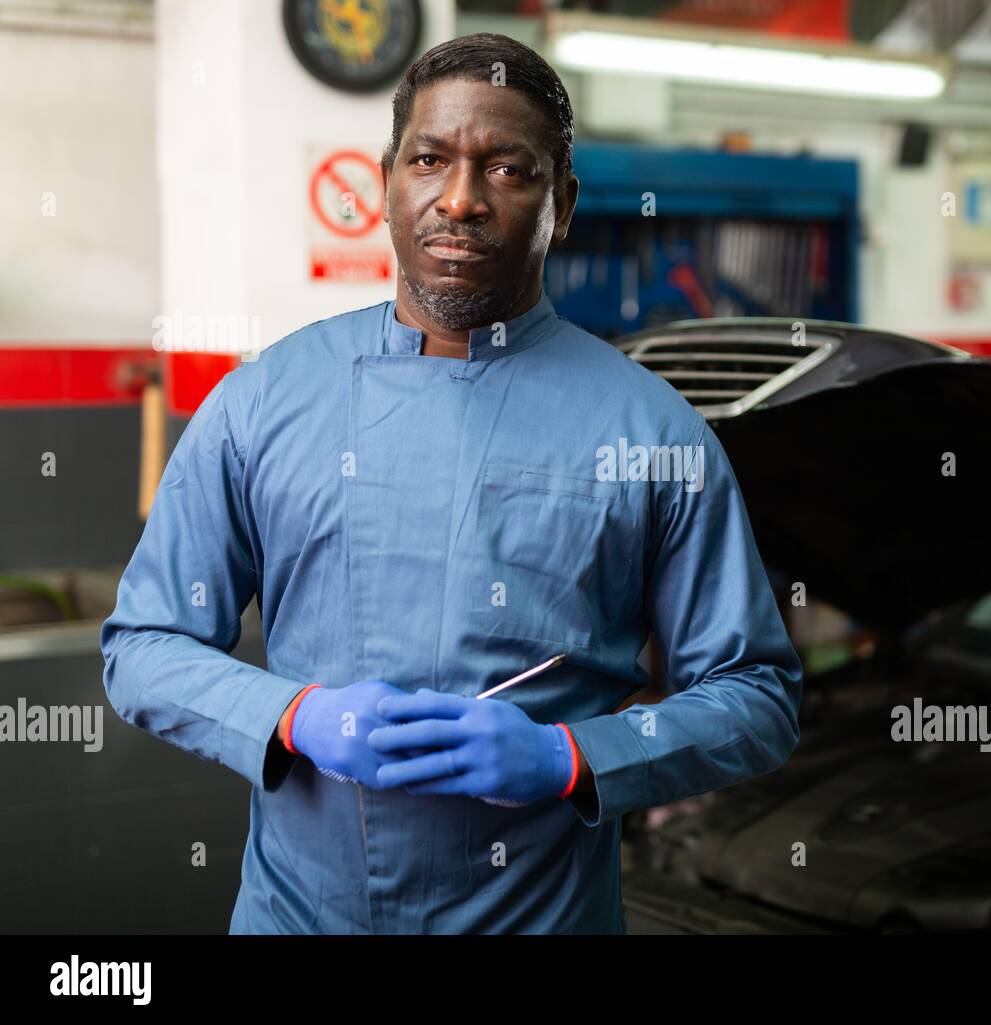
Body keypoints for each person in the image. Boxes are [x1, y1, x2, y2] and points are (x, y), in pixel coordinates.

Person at [101, 32, 802, 934]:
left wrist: (574, 756)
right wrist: (292, 714)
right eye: (430, 160)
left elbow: (755, 696)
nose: (460, 200)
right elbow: (143, 644)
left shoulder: (653, 431)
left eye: (508, 168)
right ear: (387, 180)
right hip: (296, 916)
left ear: (563, 203)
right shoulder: (262, 400)